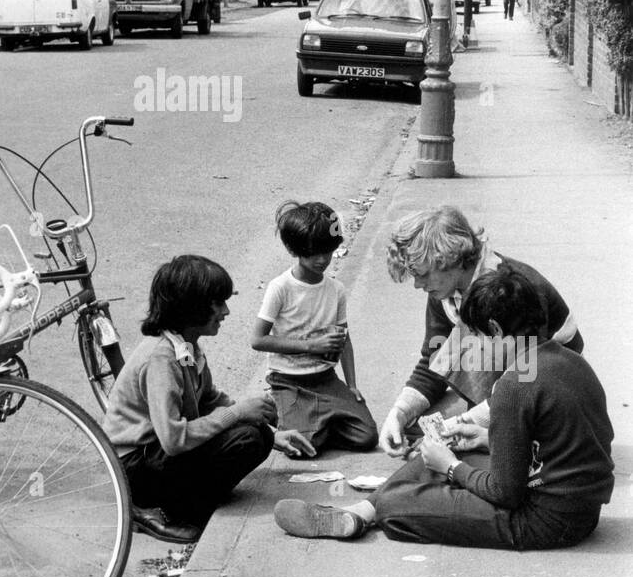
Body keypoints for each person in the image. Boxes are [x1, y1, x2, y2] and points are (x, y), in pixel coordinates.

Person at [273, 268, 614, 550]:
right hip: (581, 508)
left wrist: (451, 469)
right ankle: (360, 512)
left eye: (478, 338)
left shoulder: (514, 386)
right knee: (436, 455)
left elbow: (505, 494)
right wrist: (483, 437)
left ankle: (374, 510)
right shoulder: (570, 362)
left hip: (546, 521)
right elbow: (563, 444)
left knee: (400, 503)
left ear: (495, 330)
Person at [103, 255, 314, 544]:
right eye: (218, 303)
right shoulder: (161, 358)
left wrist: (273, 434)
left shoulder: (186, 346)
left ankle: (190, 496)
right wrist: (239, 413)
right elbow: (173, 439)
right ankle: (161, 510)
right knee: (247, 439)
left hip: (156, 457)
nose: (226, 311)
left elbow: (209, 400)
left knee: (259, 436)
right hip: (135, 468)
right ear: (192, 308)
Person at [377, 206, 582, 458]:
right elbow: (434, 363)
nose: (418, 285)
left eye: (422, 275)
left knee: (457, 440)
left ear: (448, 258)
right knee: (418, 425)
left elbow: (526, 381)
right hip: (507, 374)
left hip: (550, 382)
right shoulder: (444, 293)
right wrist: (398, 413)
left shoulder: (511, 290)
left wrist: (459, 426)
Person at [251, 201, 377, 454]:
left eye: (327, 251)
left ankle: (314, 420)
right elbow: (258, 339)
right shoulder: (281, 287)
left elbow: (344, 339)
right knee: (304, 449)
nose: (322, 260)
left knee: (366, 437)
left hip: (324, 378)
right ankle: (276, 408)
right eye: (312, 253)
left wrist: (351, 384)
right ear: (295, 250)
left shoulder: (335, 290)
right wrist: (309, 346)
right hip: (288, 379)